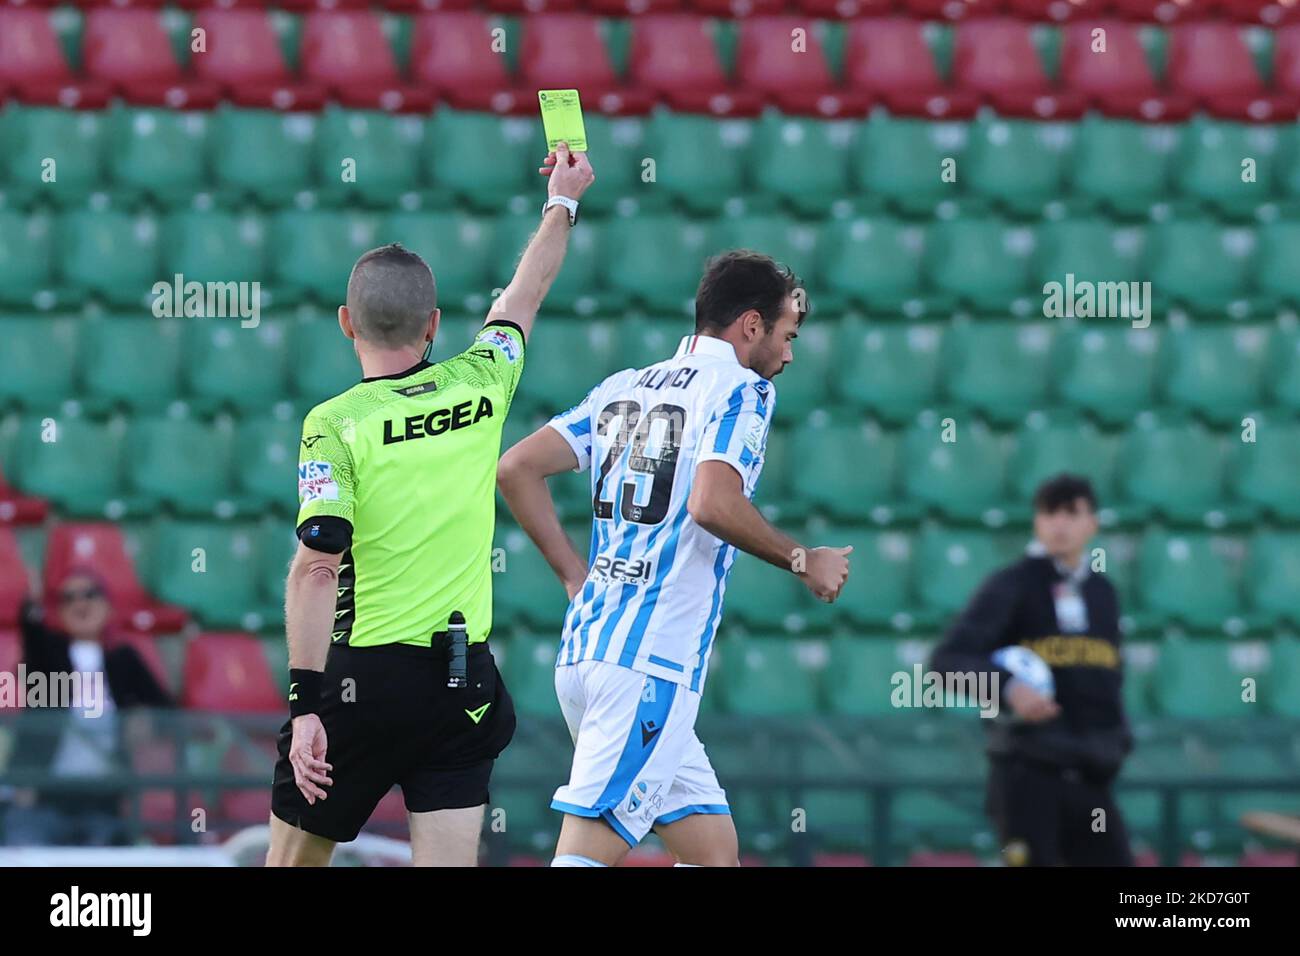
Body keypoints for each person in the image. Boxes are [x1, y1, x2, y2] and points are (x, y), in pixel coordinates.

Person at [265, 142, 595, 867]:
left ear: (347, 322)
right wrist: (562, 199)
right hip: (461, 680)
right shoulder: (481, 384)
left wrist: (306, 705)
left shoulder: (335, 423)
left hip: (363, 683)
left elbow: (318, 569)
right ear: (434, 324)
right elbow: (522, 297)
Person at [497, 250, 853, 867]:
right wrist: (804, 559)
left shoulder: (624, 385)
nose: (790, 353)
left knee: (714, 852)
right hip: (647, 666)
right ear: (750, 324)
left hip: (588, 651)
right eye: (787, 334)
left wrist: (573, 575)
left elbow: (516, 467)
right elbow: (712, 502)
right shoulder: (744, 389)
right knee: (584, 856)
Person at [929, 474, 1135, 866]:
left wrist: (1117, 741)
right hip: (1029, 776)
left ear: (1093, 523)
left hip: (1092, 775)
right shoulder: (1011, 586)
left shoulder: (1103, 594)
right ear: (1037, 522)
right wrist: (1008, 689)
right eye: (1049, 512)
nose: (1059, 524)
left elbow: (1109, 679)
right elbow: (947, 663)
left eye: (1072, 513)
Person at [5, 569, 172, 847]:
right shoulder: (50, 653)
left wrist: (142, 720)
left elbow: (166, 711)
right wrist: (31, 604)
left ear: (107, 605)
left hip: (102, 800)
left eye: (90, 595)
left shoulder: (123, 659)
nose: (80, 604)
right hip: (42, 798)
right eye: (68, 598)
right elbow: (32, 639)